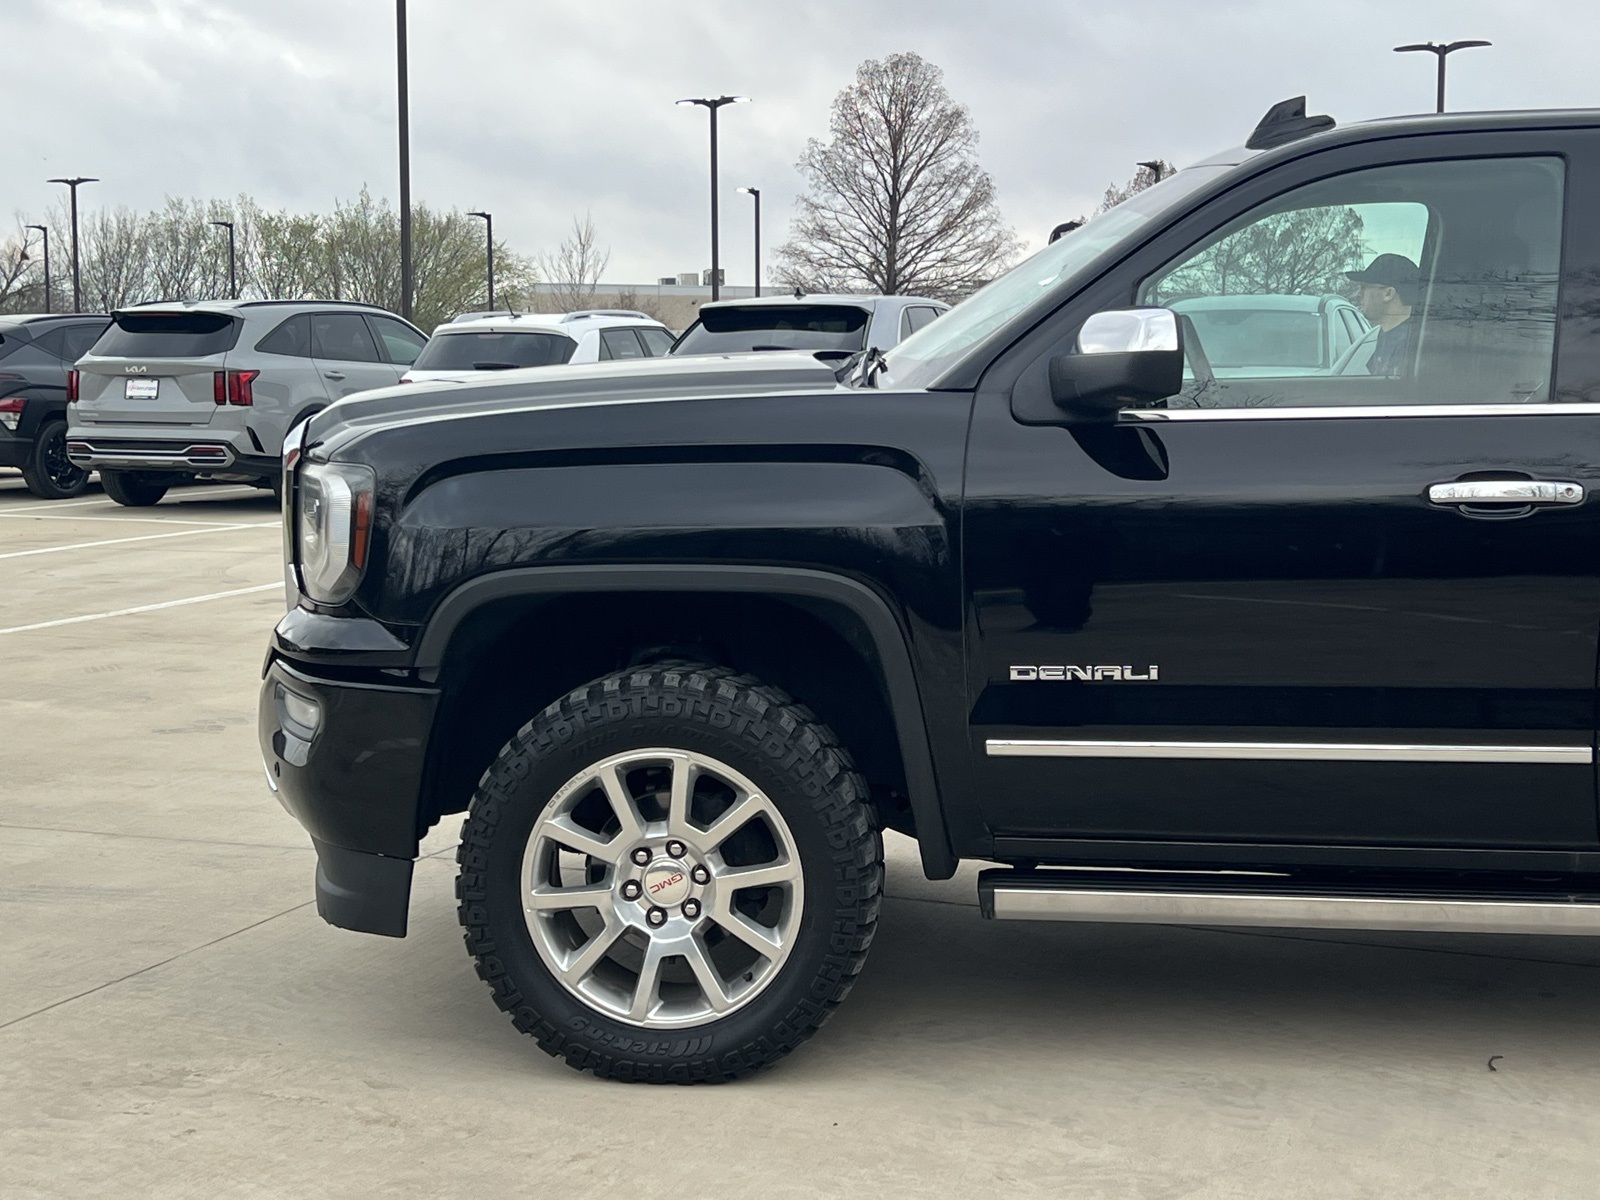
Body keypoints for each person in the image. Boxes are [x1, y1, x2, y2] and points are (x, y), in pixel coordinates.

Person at [1346, 253, 1419, 377]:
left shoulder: (1411, 345)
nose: (1358, 295)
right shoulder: (1387, 333)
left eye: (1364, 288)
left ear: (1388, 294)